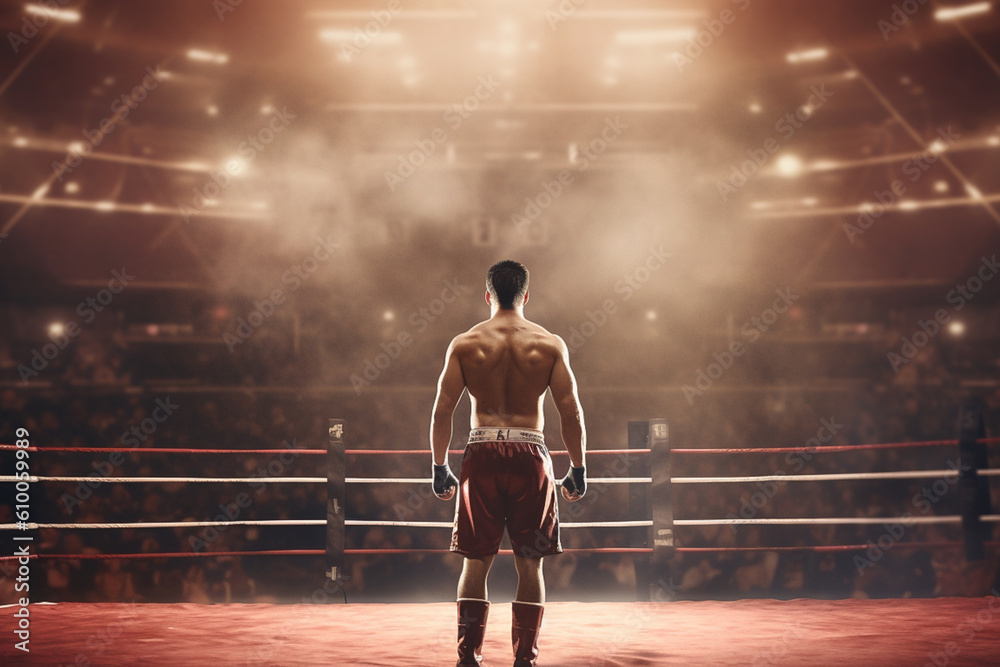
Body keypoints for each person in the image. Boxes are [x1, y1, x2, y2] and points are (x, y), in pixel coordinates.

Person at [429, 260, 587, 667]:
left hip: (481, 452)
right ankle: (525, 661)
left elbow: (441, 411)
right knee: (530, 562)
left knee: (475, 560)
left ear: (487, 295)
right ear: (526, 295)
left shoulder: (465, 343)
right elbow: (572, 413)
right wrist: (578, 468)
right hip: (530, 454)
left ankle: (468, 659)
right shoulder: (549, 344)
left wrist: (438, 466)